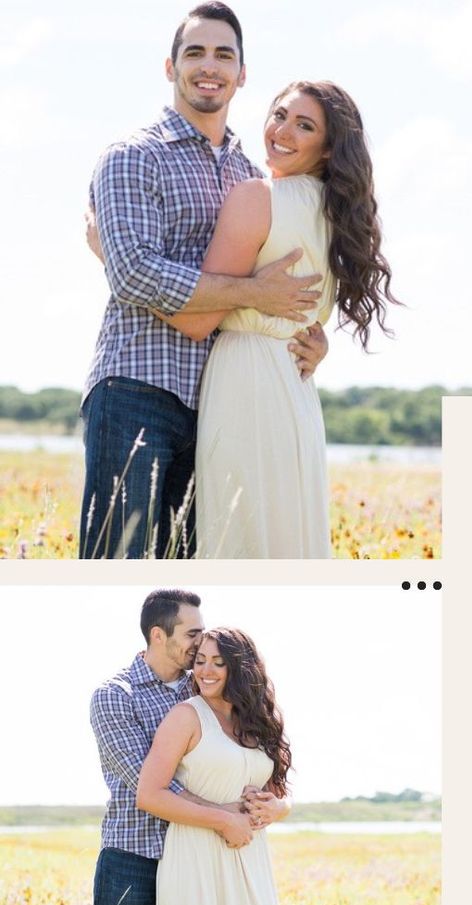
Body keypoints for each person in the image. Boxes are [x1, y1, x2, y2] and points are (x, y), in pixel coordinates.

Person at [81, 2, 329, 559]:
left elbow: (290, 280)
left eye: (224, 54)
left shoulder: (255, 176)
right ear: (170, 68)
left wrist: (313, 334)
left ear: (243, 75)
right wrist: (253, 292)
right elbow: (134, 272)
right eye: (194, 53)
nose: (208, 66)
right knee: (117, 559)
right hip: (136, 387)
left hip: (223, 404)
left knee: (201, 560)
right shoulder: (131, 156)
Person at [156, 79, 395, 557]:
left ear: (327, 150)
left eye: (304, 125)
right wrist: (319, 340)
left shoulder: (254, 198)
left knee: (240, 531)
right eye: (280, 114)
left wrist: (114, 259)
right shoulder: (337, 217)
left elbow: (197, 321)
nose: (282, 130)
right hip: (296, 389)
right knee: (287, 529)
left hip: (245, 382)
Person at [87, 589, 264, 905]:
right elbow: (146, 783)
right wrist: (225, 814)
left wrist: (266, 802)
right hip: (129, 857)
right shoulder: (115, 695)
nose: (201, 644)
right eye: (192, 634)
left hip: (191, 857)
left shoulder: (202, 688)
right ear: (158, 635)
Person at [137, 627, 292, 905]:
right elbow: (149, 794)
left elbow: (279, 794)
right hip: (196, 858)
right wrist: (224, 820)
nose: (206, 671)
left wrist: (280, 808)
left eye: (218, 663)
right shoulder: (186, 717)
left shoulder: (259, 720)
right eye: (200, 661)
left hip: (250, 863)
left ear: (241, 669)